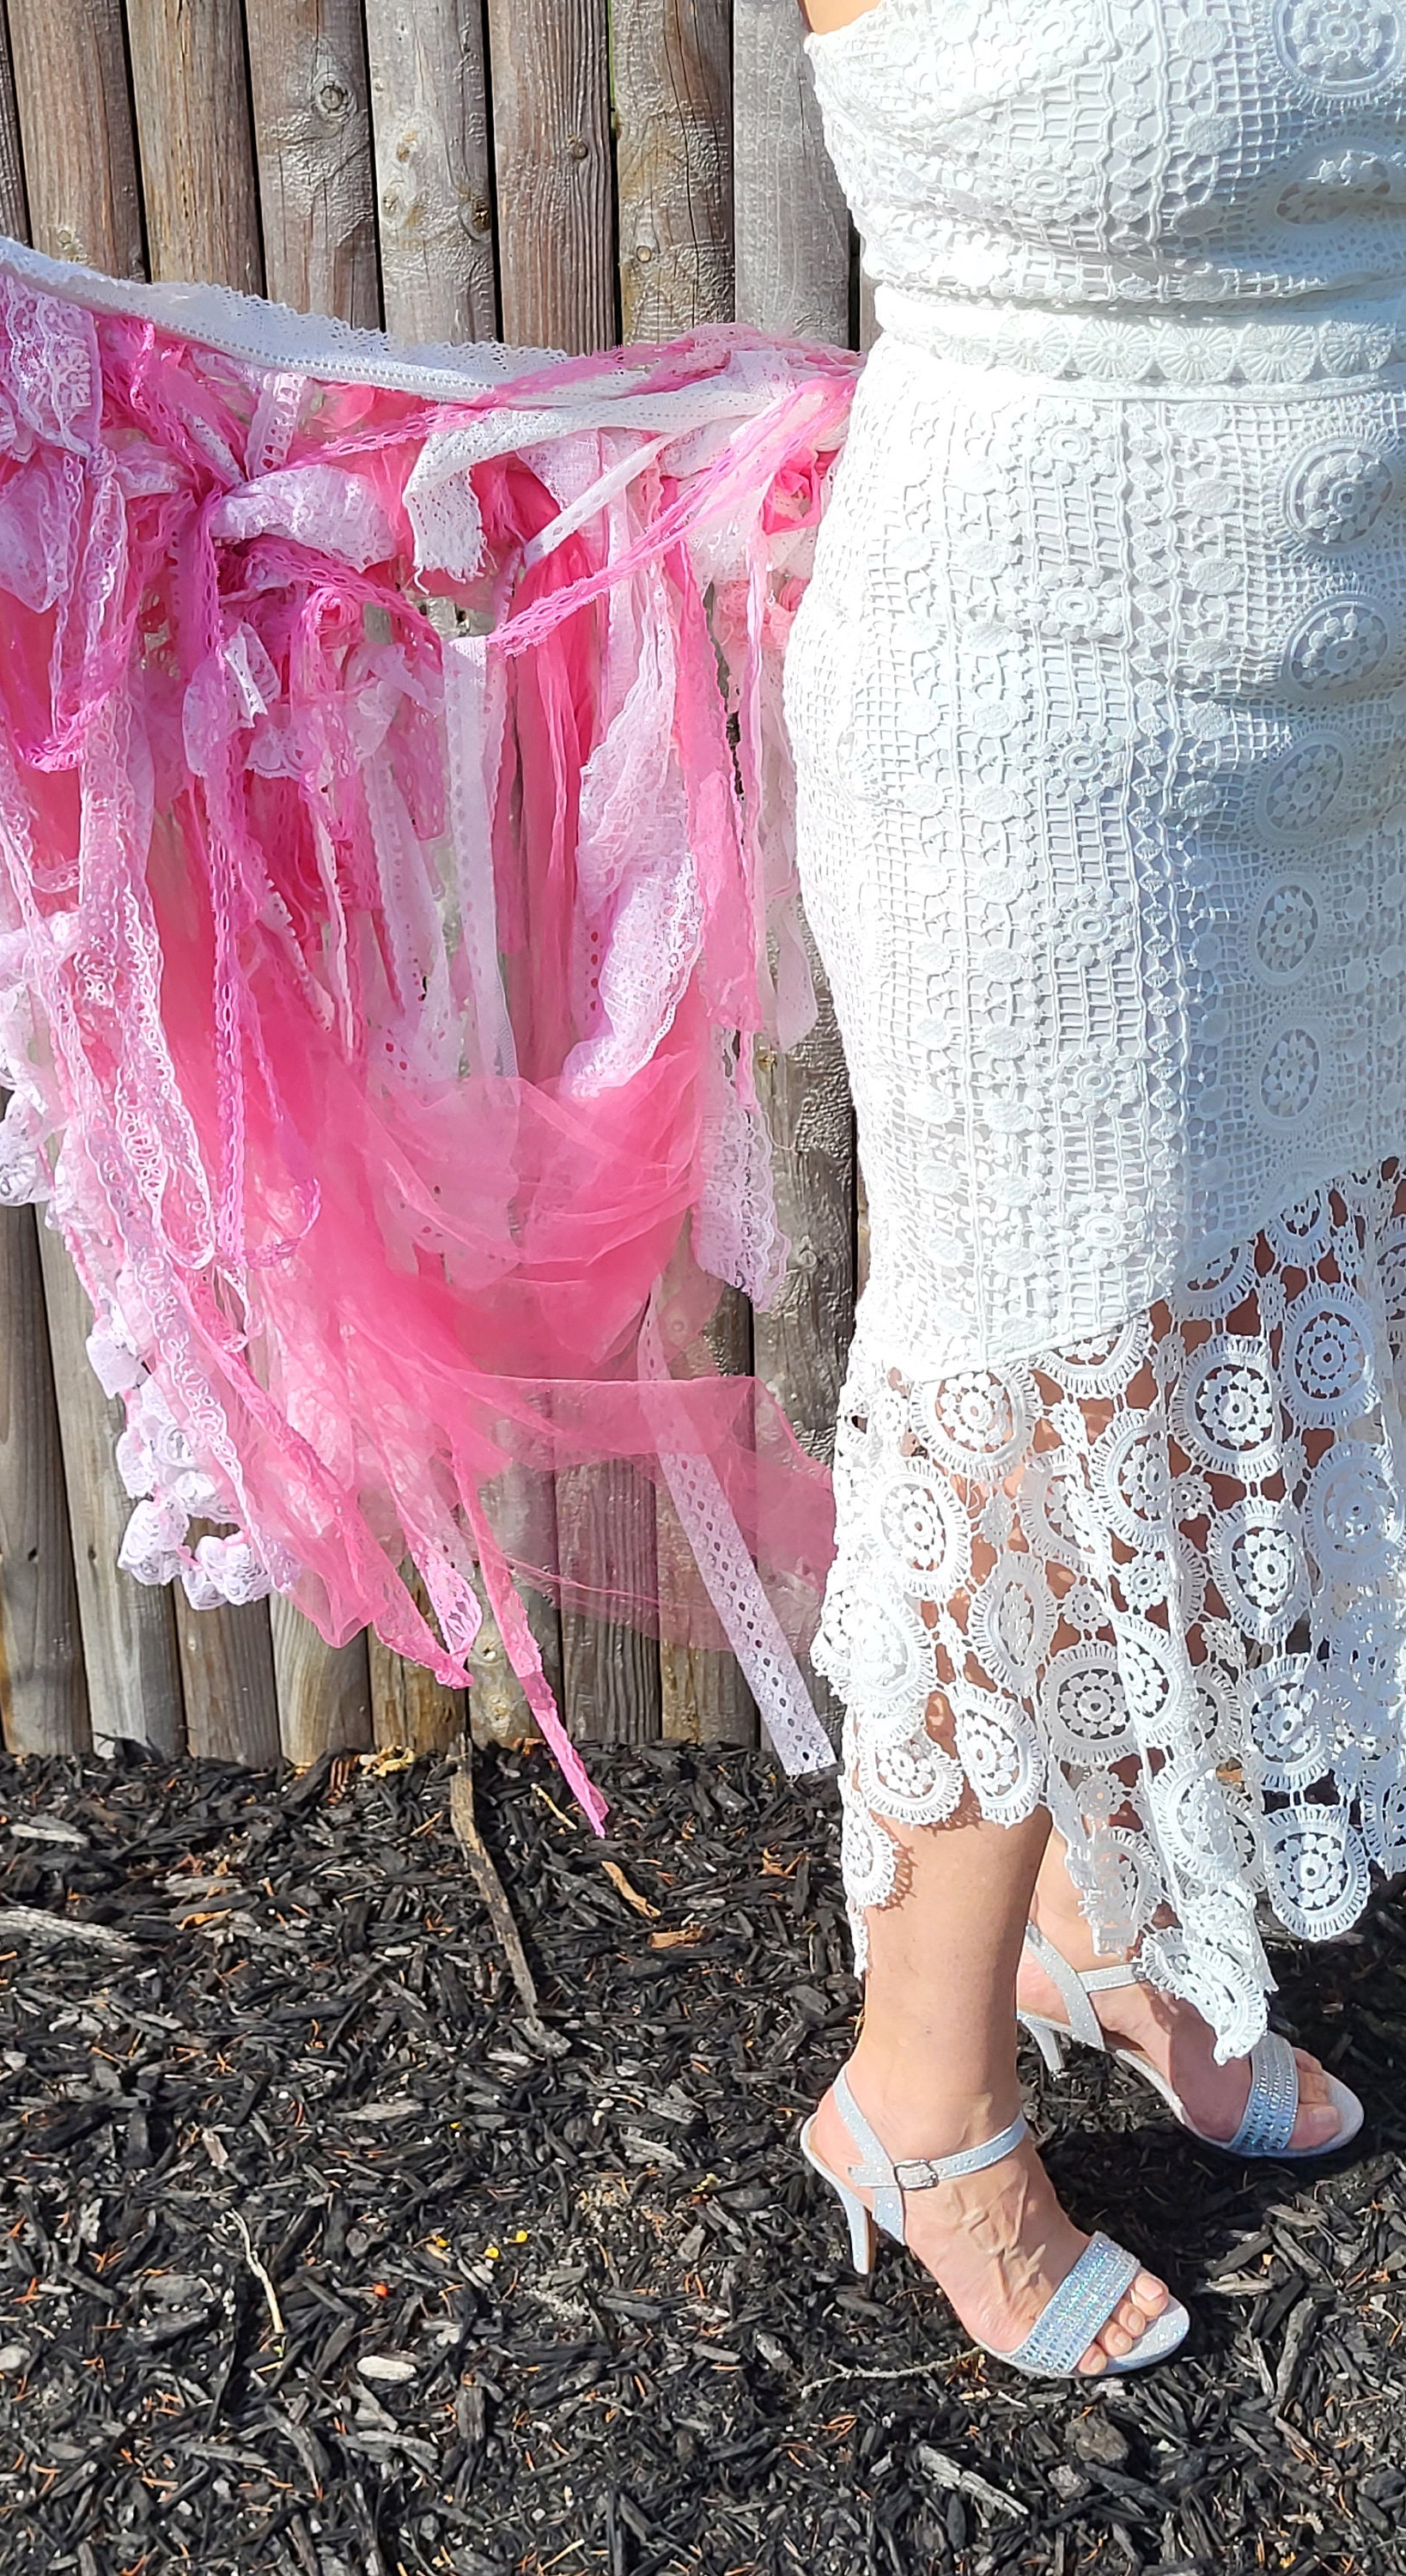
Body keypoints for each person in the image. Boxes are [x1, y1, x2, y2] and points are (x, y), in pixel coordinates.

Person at [787, 0, 1385, 2376]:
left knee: (1234, 1333)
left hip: (1355, 715)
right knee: (1042, 1390)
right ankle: (916, 2099)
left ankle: (1122, 1930)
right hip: (1038, 715)